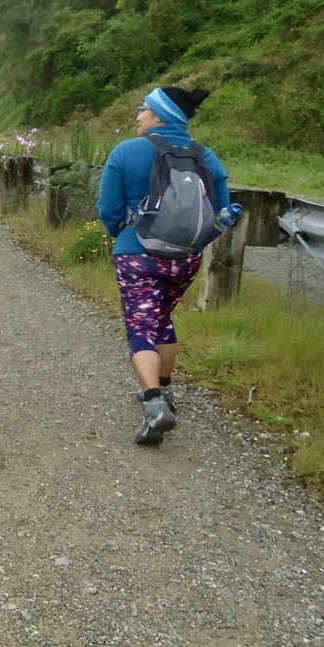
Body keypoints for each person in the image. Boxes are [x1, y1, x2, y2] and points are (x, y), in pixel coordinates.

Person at [96, 85, 235, 446]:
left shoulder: (126, 152)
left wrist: (121, 233)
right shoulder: (206, 156)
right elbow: (221, 209)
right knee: (162, 319)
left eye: (143, 109)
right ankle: (167, 392)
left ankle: (154, 404)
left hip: (137, 252)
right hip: (185, 257)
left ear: (160, 115)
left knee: (140, 326)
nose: (137, 115)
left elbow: (109, 209)